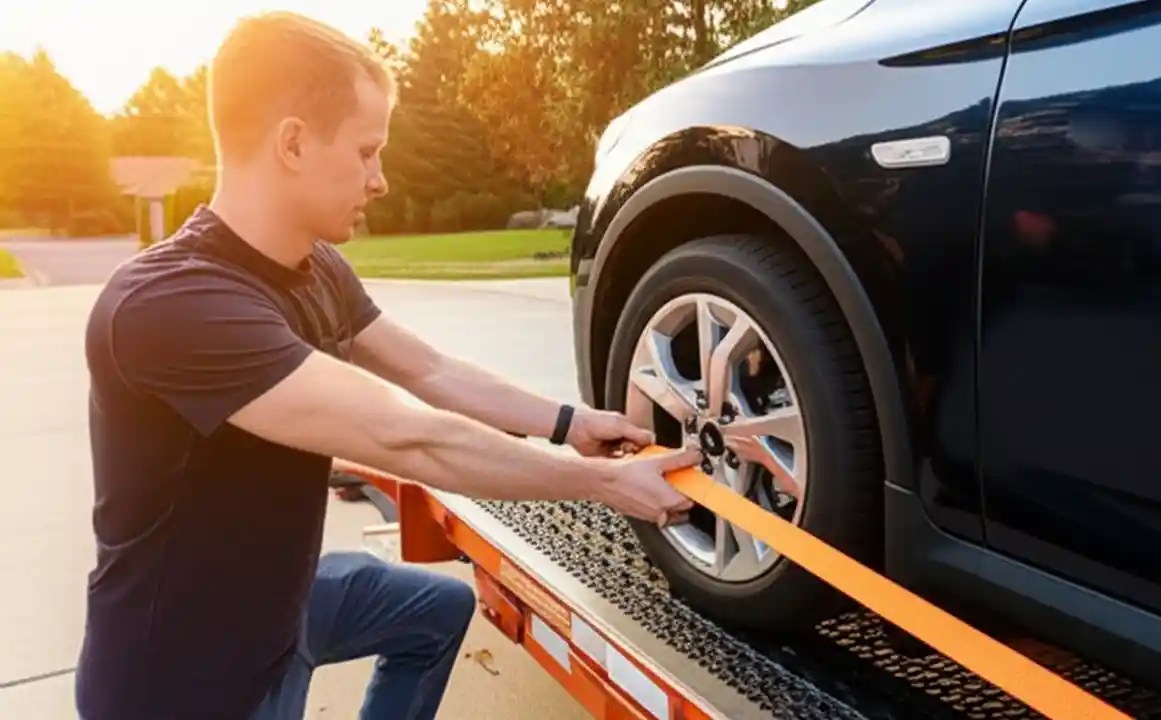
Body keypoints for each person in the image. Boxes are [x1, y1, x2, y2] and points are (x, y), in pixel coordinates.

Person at [75, 11, 699, 720]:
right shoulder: (171, 306)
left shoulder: (316, 269)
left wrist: (573, 424)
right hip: (190, 679)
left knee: (436, 609)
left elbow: (431, 372)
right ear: (293, 143)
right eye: (368, 150)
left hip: (280, 602)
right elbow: (408, 436)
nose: (380, 179)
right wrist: (604, 485)